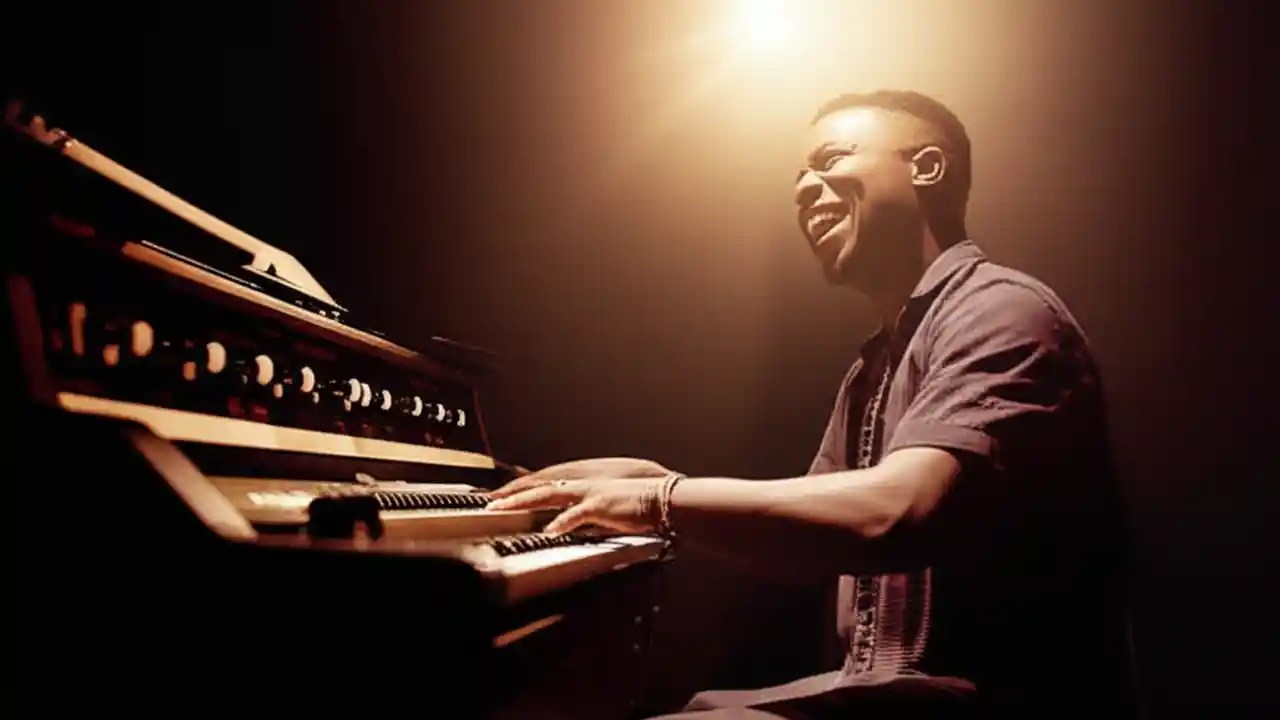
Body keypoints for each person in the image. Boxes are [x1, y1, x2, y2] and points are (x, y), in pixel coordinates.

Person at [487, 90, 1137, 717]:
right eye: (800, 175)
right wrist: (653, 482)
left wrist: (661, 501)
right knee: (689, 705)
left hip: (990, 705)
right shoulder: (871, 368)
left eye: (831, 160)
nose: (803, 189)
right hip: (894, 695)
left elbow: (894, 513)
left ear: (927, 167)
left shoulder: (1002, 310)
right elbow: (809, 537)